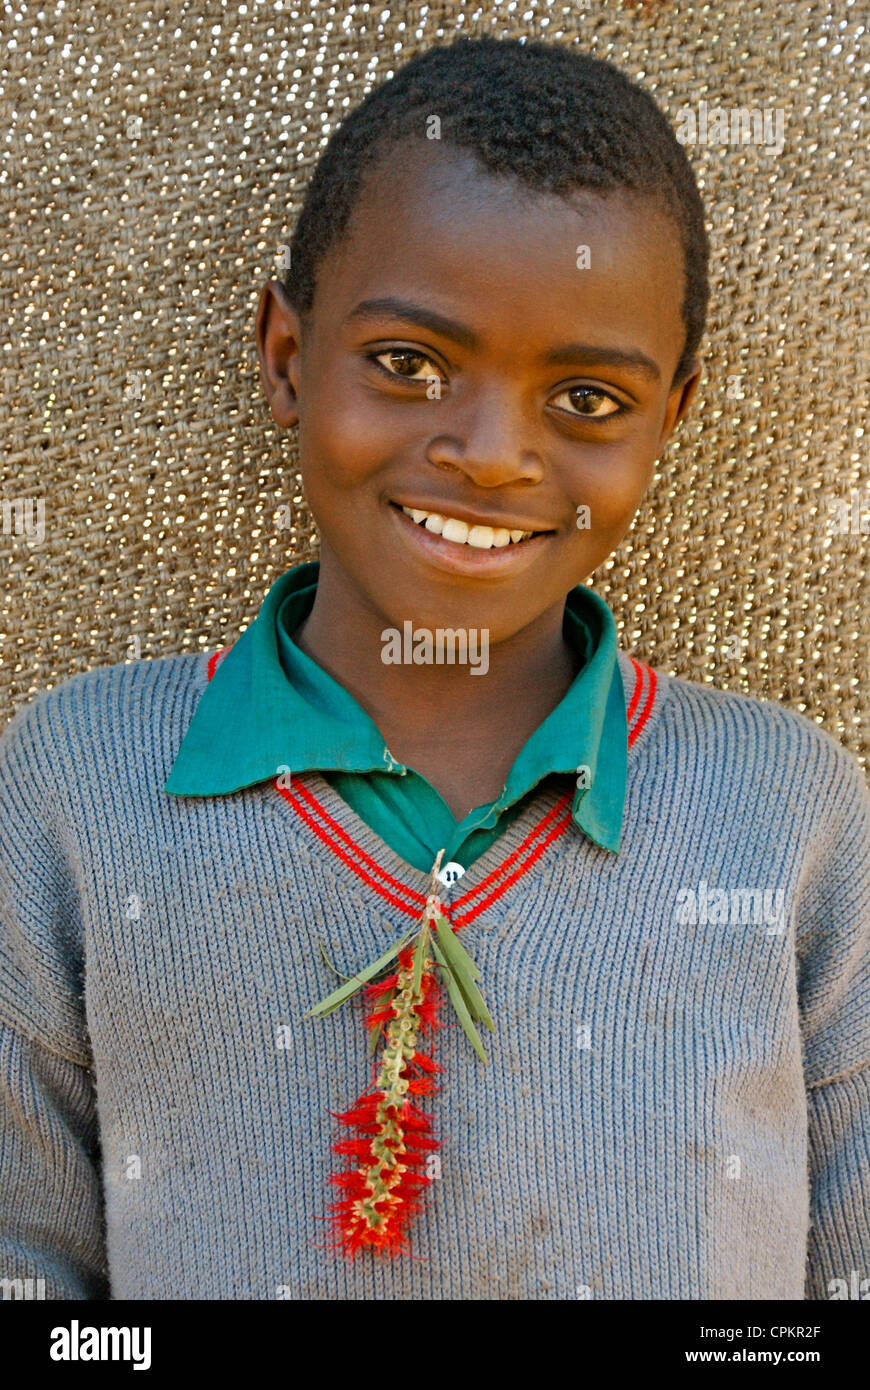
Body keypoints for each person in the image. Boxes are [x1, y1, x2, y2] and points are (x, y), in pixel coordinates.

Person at [1, 34, 867, 1300]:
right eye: (408, 365)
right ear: (288, 358)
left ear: (671, 418)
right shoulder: (78, 785)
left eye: (586, 398)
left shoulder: (790, 813)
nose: (491, 454)